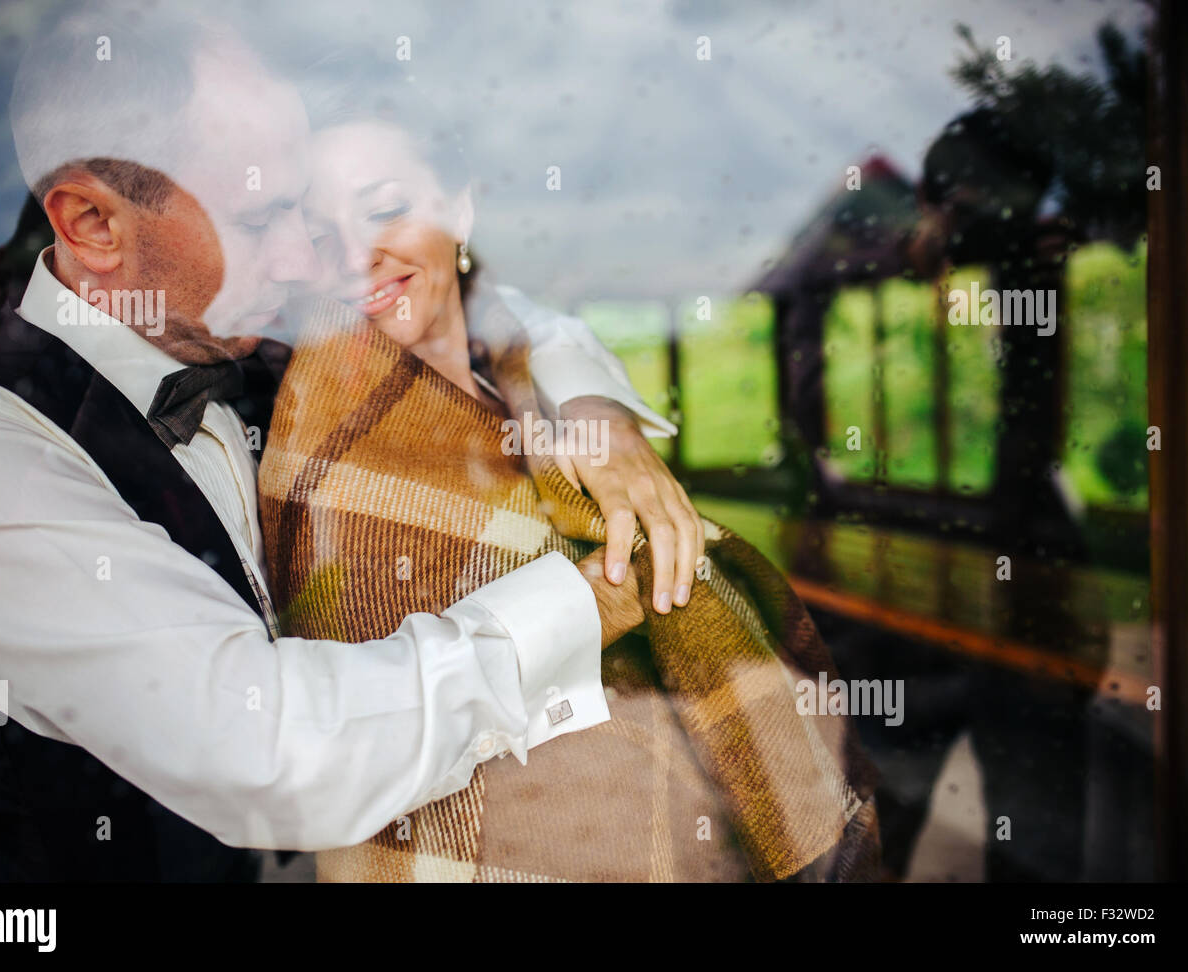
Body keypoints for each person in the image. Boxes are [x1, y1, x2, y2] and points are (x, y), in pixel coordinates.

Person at [0, 9, 704, 881]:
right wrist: (575, 609)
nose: (302, 261)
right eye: (259, 221)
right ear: (94, 225)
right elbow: (272, 750)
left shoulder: (255, 346)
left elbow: (484, 313)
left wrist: (597, 410)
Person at [256, 94, 881, 881]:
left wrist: (594, 405)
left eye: (385, 208)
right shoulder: (319, 442)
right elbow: (350, 730)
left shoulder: (525, 380)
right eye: (318, 234)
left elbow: (529, 325)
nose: (354, 254)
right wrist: (603, 594)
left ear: (461, 207)